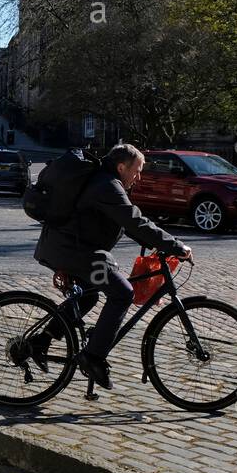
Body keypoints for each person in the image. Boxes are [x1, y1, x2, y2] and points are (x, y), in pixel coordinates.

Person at [33, 143, 191, 390]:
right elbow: (134, 220)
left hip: (69, 247)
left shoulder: (105, 182)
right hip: (73, 250)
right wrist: (176, 247)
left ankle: (39, 343)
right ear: (121, 167)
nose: (139, 178)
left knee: (88, 297)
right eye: (137, 171)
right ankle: (92, 357)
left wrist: (154, 243)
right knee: (122, 292)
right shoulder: (106, 186)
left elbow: (126, 224)